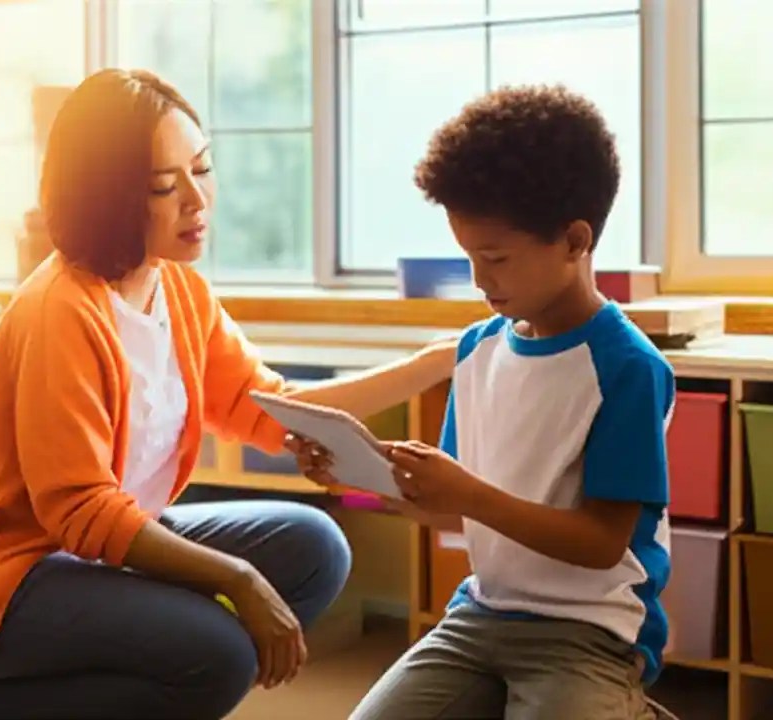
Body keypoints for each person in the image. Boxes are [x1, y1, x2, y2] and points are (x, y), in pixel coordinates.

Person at [0, 68, 457, 720]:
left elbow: (268, 405)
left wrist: (434, 363)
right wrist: (231, 579)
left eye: (202, 168)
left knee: (315, 549)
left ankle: (145, 662)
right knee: (217, 656)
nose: (197, 199)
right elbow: (80, 511)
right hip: (5, 572)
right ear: (107, 196)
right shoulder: (59, 313)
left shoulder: (179, 291)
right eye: (164, 184)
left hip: (107, 549)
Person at [295, 85, 676, 719]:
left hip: (589, 633)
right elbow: (455, 516)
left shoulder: (627, 367)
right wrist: (358, 479)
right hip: (482, 613)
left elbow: (602, 544)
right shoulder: (476, 351)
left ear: (576, 241)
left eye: (495, 257)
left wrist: (469, 495)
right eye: (469, 256)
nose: (478, 279)